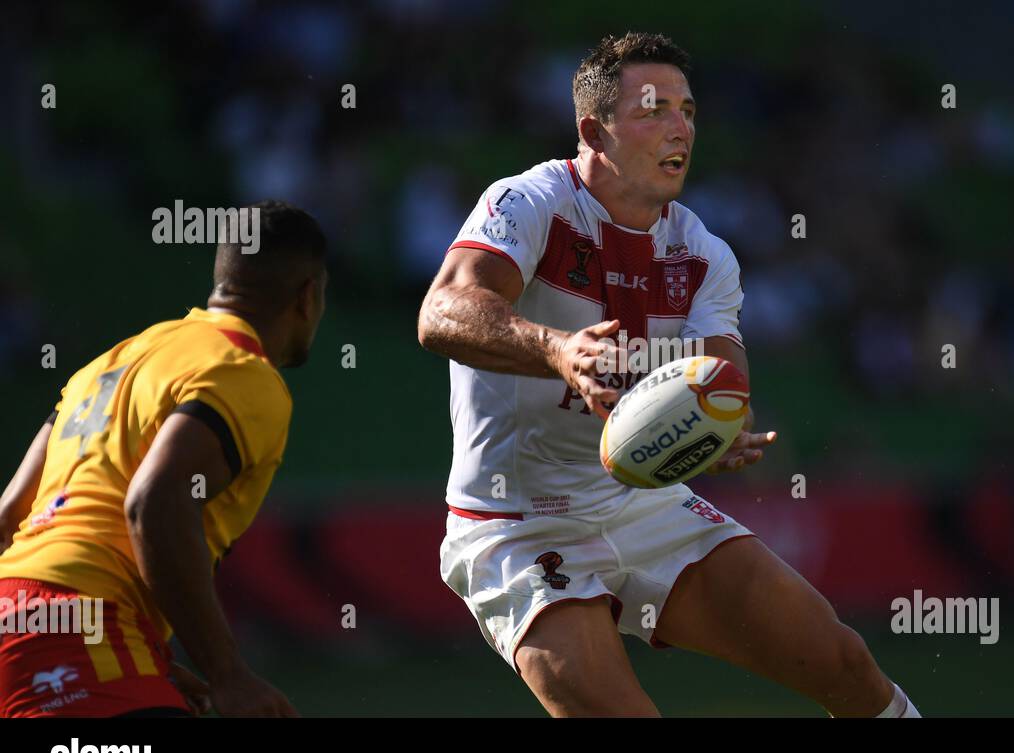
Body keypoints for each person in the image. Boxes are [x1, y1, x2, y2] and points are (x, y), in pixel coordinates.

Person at [418, 33, 919, 717]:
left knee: (845, 663)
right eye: (654, 109)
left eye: (688, 110)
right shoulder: (528, 203)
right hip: (515, 525)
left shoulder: (704, 254)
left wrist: (720, 427)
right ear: (595, 130)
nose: (680, 126)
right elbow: (442, 313)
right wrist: (557, 350)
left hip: (644, 505)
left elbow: (724, 381)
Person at [0, 201, 327, 717]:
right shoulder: (243, 372)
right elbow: (154, 501)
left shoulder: (112, 360)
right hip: (85, 626)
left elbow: (9, 515)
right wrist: (228, 675)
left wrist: (144, 655)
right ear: (309, 296)